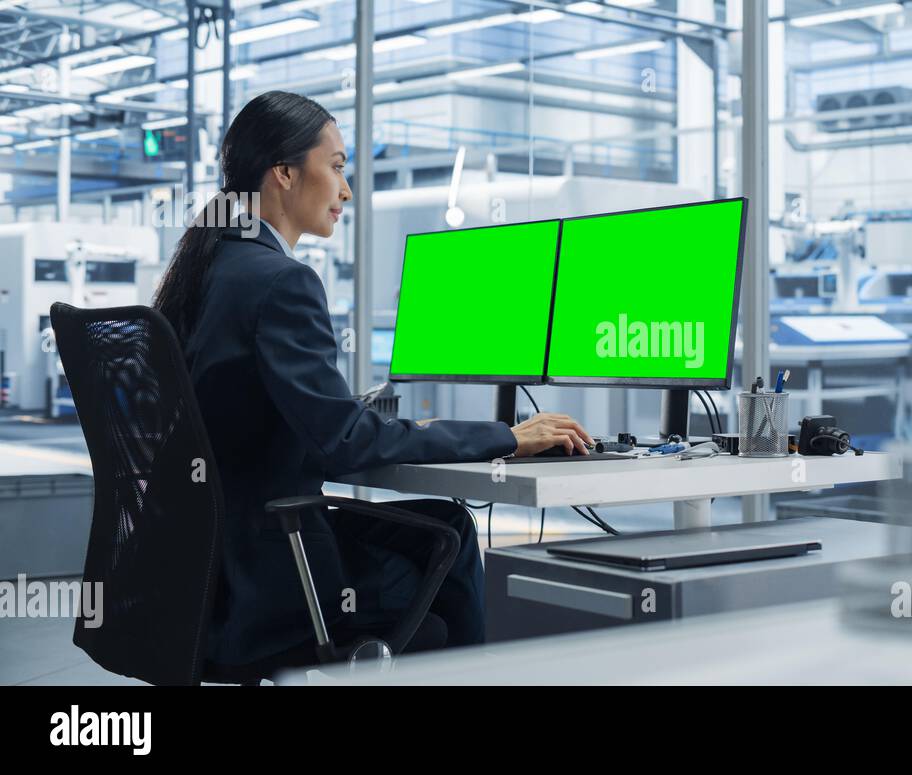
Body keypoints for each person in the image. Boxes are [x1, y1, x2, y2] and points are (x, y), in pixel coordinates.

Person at [152, 90, 592, 668]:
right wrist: (509, 437)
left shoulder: (207, 271)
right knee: (450, 543)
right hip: (273, 578)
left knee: (445, 529)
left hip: (201, 574)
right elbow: (345, 445)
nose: (347, 189)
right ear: (283, 173)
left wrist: (356, 416)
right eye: (335, 167)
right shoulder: (281, 281)